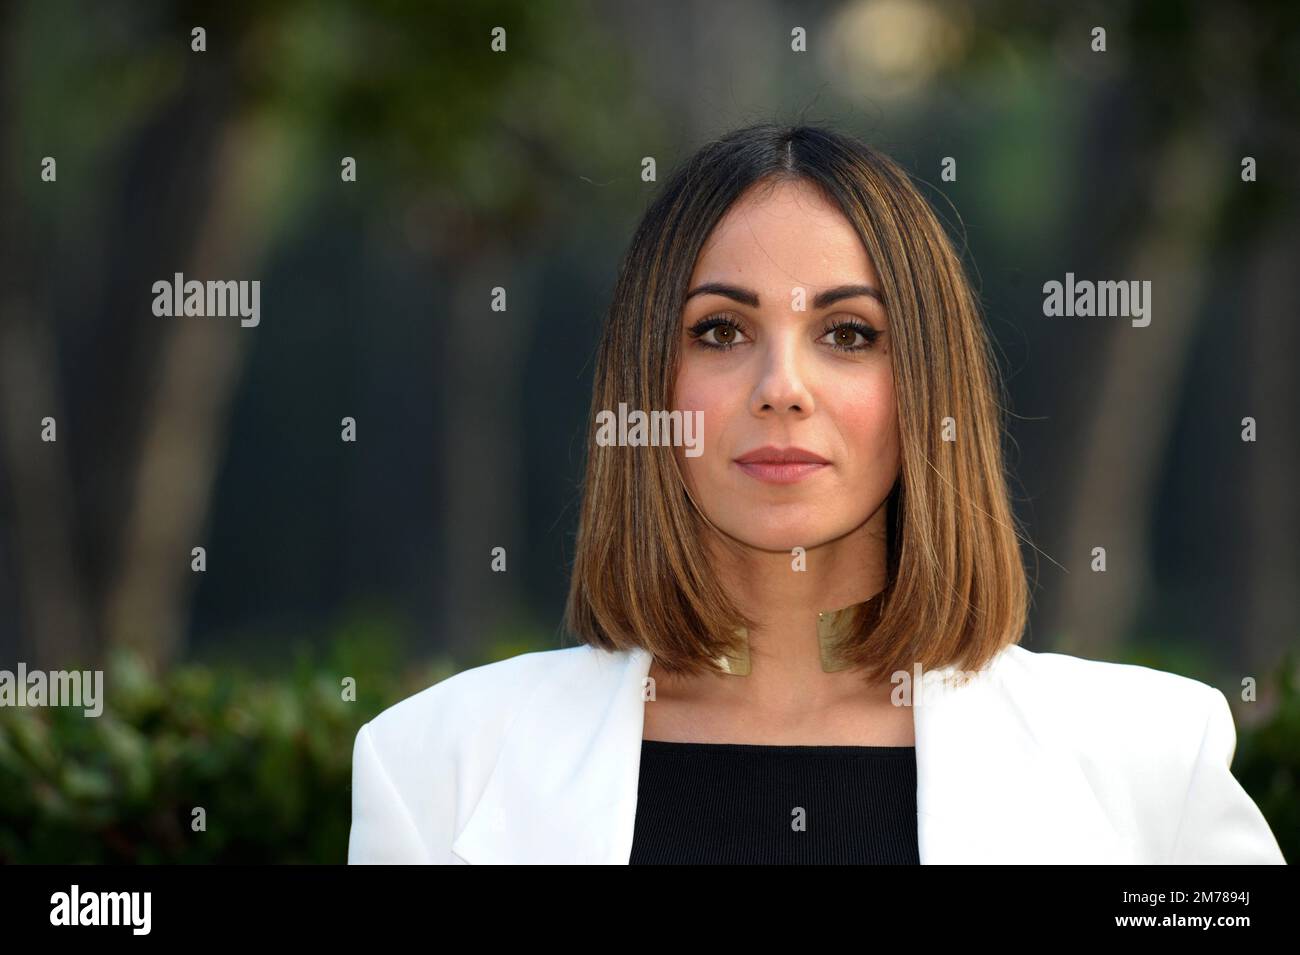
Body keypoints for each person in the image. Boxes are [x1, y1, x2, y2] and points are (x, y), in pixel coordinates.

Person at [347, 123, 1286, 864]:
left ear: (928, 383)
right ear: (645, 381)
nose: (780, 385)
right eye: (719, 331)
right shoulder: (437, 767)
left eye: (846, 332)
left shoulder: (1150, 759)